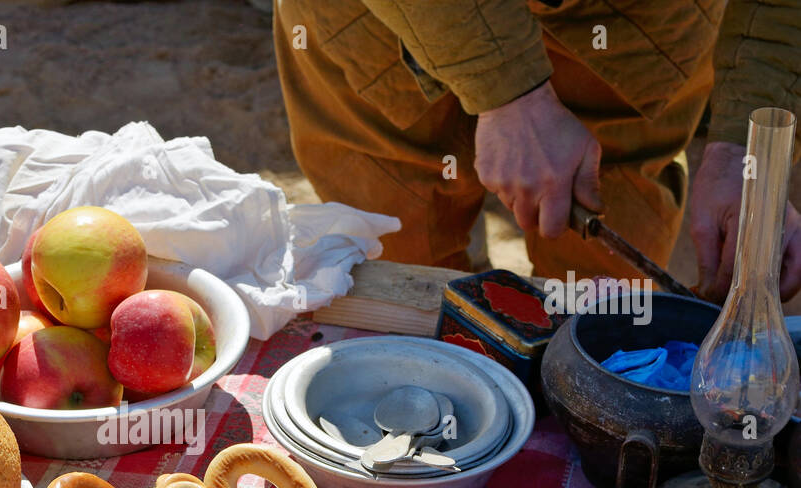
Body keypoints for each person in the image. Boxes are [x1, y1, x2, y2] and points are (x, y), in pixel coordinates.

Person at [273, 0, 801, 302]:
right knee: (406, 277)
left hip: (634, 35)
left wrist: (749, 145)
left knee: (598, 310)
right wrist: (507, 87)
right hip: (383, 24)